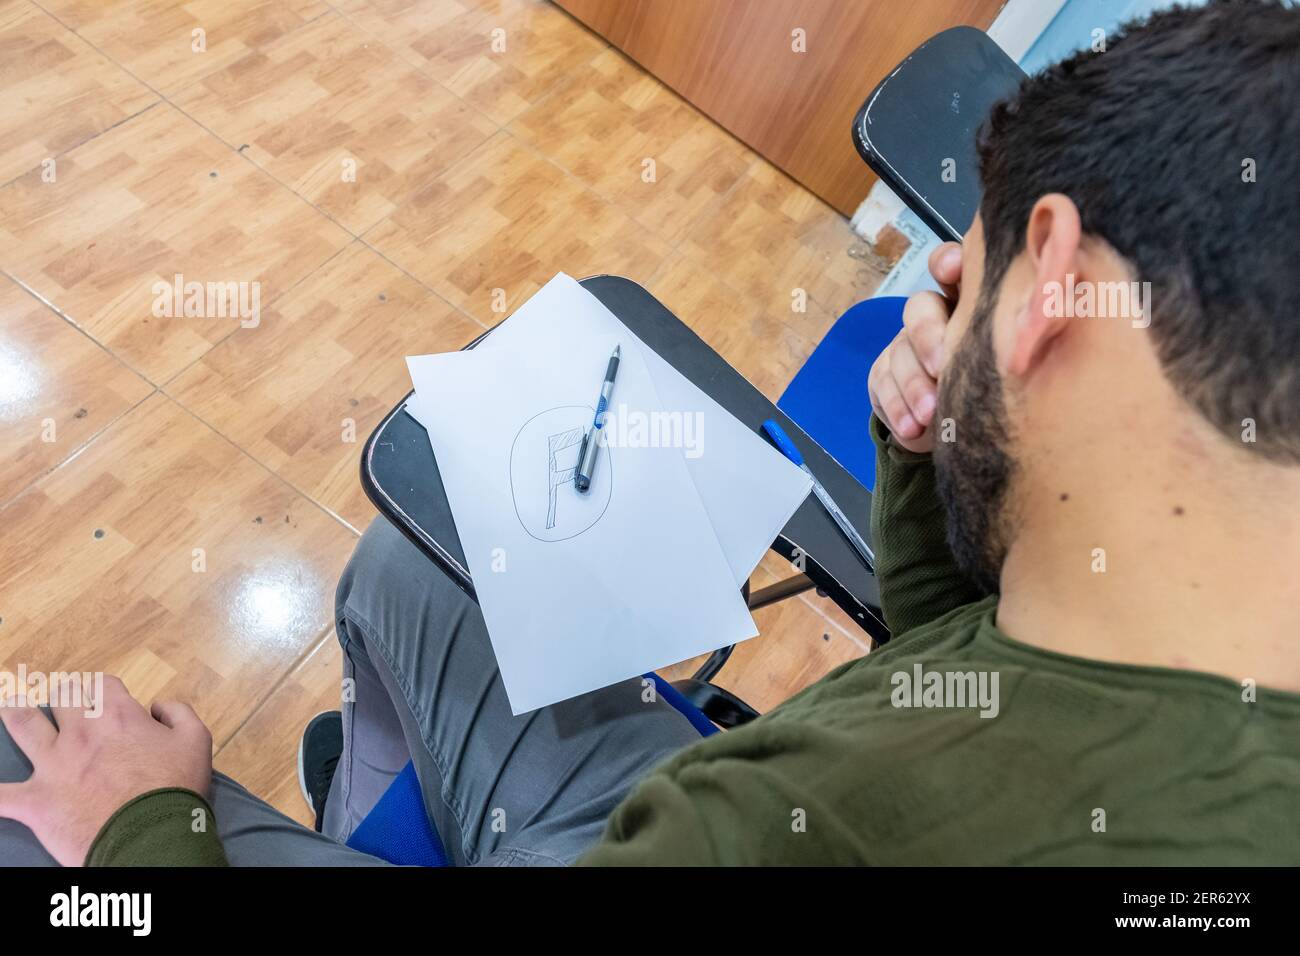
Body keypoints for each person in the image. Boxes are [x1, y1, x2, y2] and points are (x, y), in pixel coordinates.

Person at [2, 0, 1298, 866]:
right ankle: (370, 800)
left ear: (1052, 283)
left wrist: (143, 838)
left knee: (31, 785)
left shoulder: (774, 832)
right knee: (411, 569)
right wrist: (930, 447)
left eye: (971, 266)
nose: (943, 292)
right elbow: (967, 640)